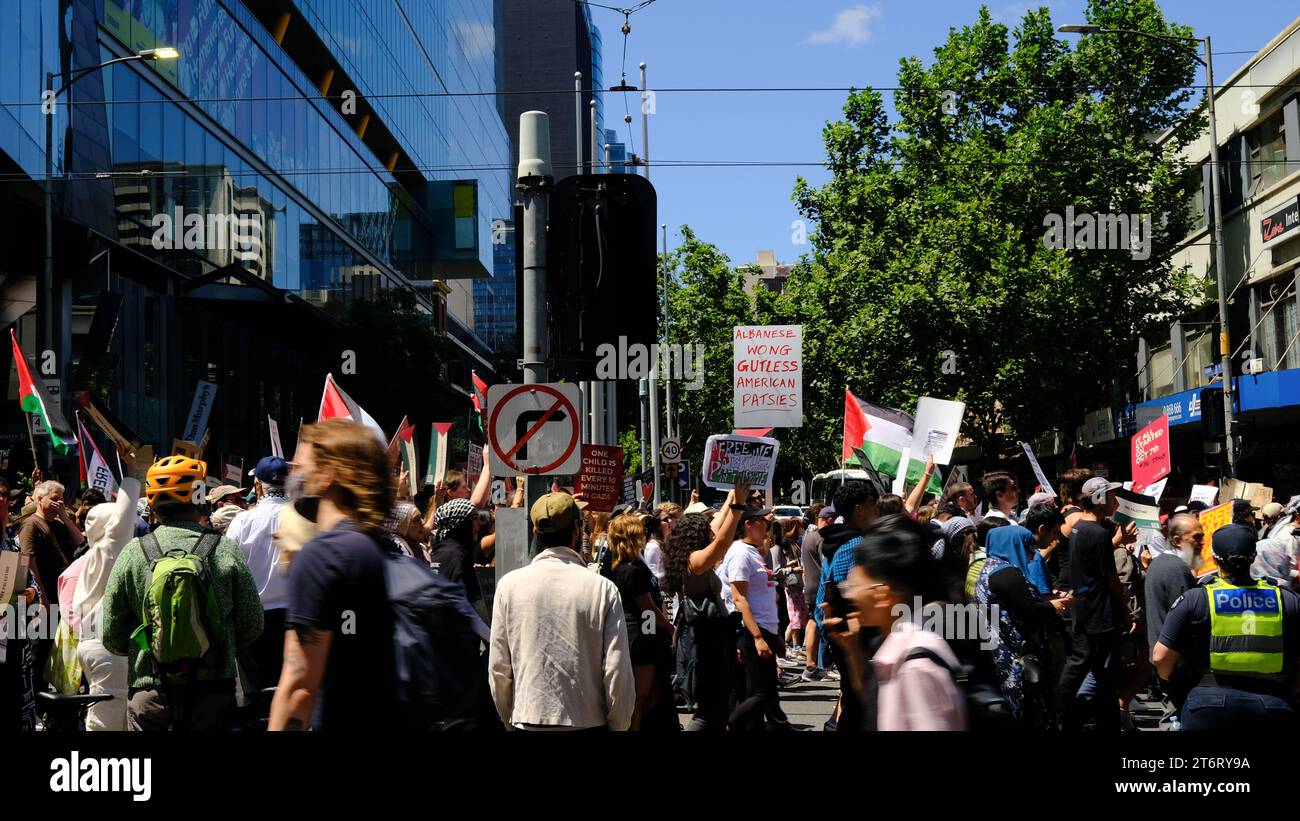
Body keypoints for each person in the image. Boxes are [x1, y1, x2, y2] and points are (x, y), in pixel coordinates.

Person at [101, 455, 264, 731]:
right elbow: (253, 623)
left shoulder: (133, 553)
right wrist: (218, 645)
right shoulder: (224, 550)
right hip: (213, 694)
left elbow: (111, 635)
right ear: (199, 497)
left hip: (151, 696)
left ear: (152, 501)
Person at [269, 419, 397, 731]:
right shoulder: (382, 546)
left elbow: (299, 687)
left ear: (328, 475)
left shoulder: (322, 555)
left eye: (305, 461)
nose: (296, 467)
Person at [489, 492, 635, 731]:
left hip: (528, 719)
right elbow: (617, 670)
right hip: (588, 722)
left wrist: (511, 719)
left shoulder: (509, 586)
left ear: (536, 533)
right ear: (577, 530)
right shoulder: (602, 589)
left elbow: (498, 669)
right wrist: (619, 725)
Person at [822, 514, 967, 730]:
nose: (850, 597)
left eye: (853, 587)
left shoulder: (917, 665)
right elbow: (876, 708)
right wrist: (852, 651)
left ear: (883, 595)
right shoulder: (894, 644)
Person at [1154, 524, 1300, 731]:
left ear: (1214, 558)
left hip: (1206, 707)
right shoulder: (1288, 600)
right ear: (1253, 557)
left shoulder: (1196, 598)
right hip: (1273, 705)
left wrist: (1176, 688)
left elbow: (1161, 657)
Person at [68, 446, 149, 731]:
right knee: (108, 721)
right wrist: (133, 474)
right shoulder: (106, 551)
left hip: (95, 646)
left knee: (107, 714)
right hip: (107, 649)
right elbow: (125, 519)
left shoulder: (94, 555)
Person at [661, 481, 751, 731]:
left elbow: (717, 525)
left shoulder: (688, 554)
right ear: (698, 536)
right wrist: (738, 506)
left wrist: (733, 496)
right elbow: (721, 541)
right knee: (709, 711)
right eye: (707, 532)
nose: (712, 532)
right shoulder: (694, 561)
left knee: (718, 708)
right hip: (703, 641)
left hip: (711, 637)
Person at [976, 513, 1072, 729]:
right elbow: (1029, 609)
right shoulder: (1006, 572)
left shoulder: (990, 567)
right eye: (1028, 547)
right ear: (1014, 545)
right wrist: (1054, 606)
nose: (1032, 554)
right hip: (1015, 658)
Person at [1061, 477, 1130, 731]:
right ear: (1099, 499)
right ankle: (1071, 718)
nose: (1116, 502)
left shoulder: (1079, 528)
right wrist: (1125, 608)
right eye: (1111, 497)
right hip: (1101, 614)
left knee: (1102, 672)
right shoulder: (1099, 533)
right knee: (1103, 673)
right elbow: (1110, 578)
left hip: (1085, 609)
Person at [224, 455, 292, 693]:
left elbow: (227, 567)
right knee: (290, 691)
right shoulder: (305, 520)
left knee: (257, 695)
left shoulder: (242, 521)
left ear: (258, 485)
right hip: (295, 620)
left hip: (254, 621)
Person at [721, 505, 790, 731]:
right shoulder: (740, 552)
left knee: (761, 692)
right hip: (753, 631)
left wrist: (775, 636)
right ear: (749, 525)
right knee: (762, 693)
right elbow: (739, 598)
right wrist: (758, 636)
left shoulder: (753, 552)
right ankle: (728, 722)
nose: (769, 528)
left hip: (765, 629)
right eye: (764, 523)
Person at [820, 481, 881, 730]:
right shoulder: (853, 545)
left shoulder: (846, 540)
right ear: (858, 509)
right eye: (872, 505)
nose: (876, 510)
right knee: (858, 705)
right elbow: (849, 592)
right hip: (853, 633)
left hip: (850, 634)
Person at [606, 513, 674, 730]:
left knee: (650, 695)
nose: (645, 534)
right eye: (641, 531)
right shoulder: (630, 569)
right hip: (640, 637)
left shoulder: (632, 563)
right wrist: (669, 627)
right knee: (640, 697)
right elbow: (648, 608)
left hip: (645, 633)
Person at [1144, 512, 1199, 711]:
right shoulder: (1176, 569)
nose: (1201, 543)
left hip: (1165, 657)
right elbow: (1189, 616)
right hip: (1176, 661)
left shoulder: (1159, 563)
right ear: (1176, 540)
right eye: (1197, 537)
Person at [0, 475, 39, 732]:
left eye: (3, 495)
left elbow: (31, 582)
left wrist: (30, 593)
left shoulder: (13, 545)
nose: (1, 500)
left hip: (12, 642)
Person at [428, 498, 487, 619]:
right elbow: (465, 608)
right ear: (460, 523)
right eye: (474, 518)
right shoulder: (456, 556)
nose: (479, 524)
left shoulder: (442, 550)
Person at [800, 505, 834, 681]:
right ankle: (820, 665)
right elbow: (827, 562)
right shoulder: (821, 538)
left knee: (814, 622)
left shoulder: (808, 536)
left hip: (809, 585)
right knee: (821, 625)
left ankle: (812, 664)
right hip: (819, 586)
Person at [644, 502, 682, 585]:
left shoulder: (667, 543)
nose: (670, 521)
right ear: (657, 525)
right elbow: (654, 575)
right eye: (665, 520)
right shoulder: (653, 546)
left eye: (669, 518)